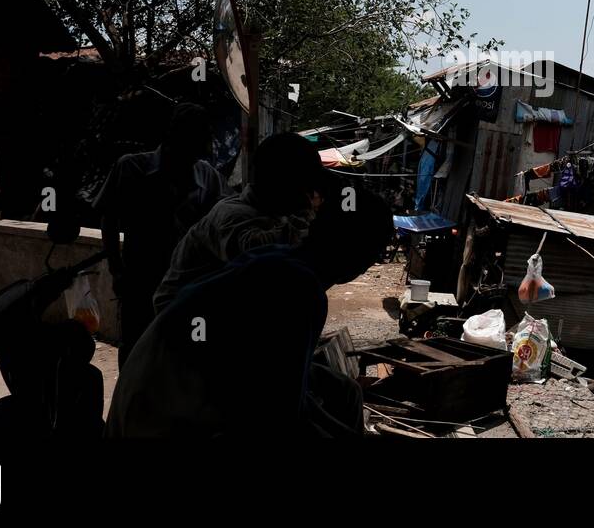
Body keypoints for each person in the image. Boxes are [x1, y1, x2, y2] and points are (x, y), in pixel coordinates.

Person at [104, 187, 392, 438]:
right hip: (158, 418)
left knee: (340, 389)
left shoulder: (278, 260)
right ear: (361, 255)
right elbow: (277, 418)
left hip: (144, 398)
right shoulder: (299, 286)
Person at [94, 103, 227, 367]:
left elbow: (215, 232)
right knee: (136, 354)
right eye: (198, 140)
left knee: (181, 358)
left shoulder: (208, 177)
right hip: (140, 282)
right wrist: (117, 271)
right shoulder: (131, 169)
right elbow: (108, 220)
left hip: (187, 287)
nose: (205, 148)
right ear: (175, 137)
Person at [152, 132, 328, 314]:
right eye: (304, 186)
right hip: (179, 318)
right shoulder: (232, 214)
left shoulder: (273, 215)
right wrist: (305, 217)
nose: (309, 193)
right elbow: (256, 253)